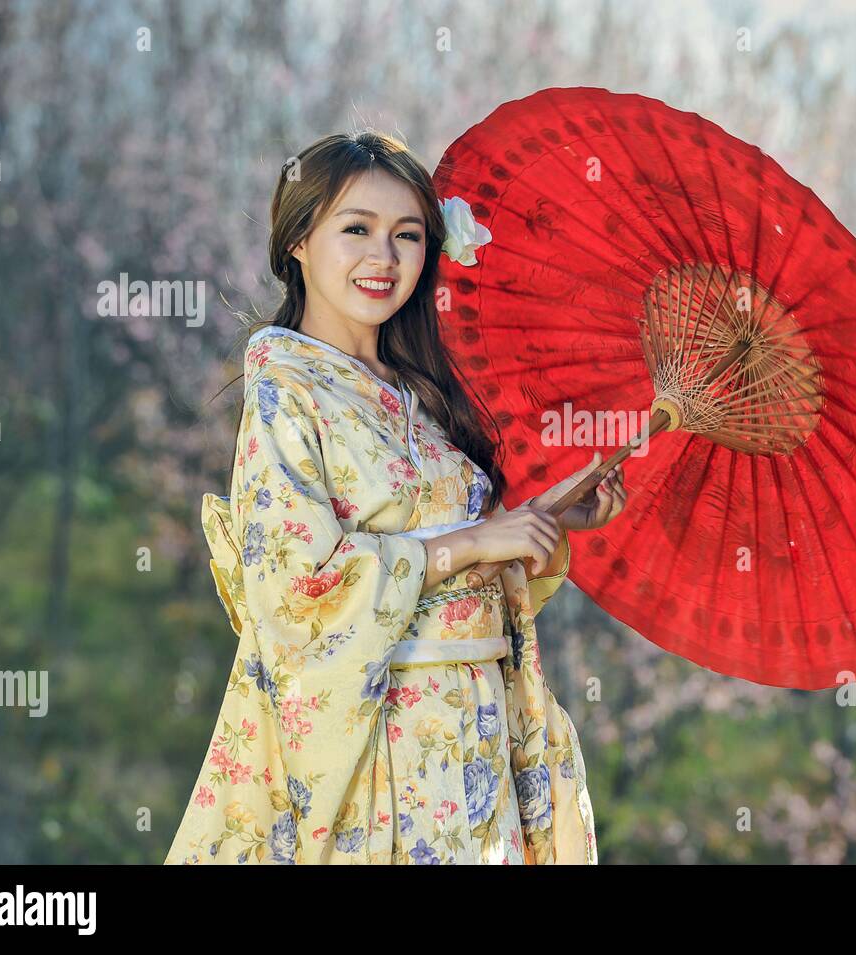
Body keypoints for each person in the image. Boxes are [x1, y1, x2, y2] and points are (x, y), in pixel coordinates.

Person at [164, 130, 626, 865]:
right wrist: (473, 542)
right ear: (298, 243)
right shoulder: (286, 388)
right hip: (382, 744)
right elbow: (299, 592)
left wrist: (537, 522)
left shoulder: (422, 394)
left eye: (407, 236)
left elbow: (463, 566)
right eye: (357, 230)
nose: (384, 258)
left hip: (476, 735)